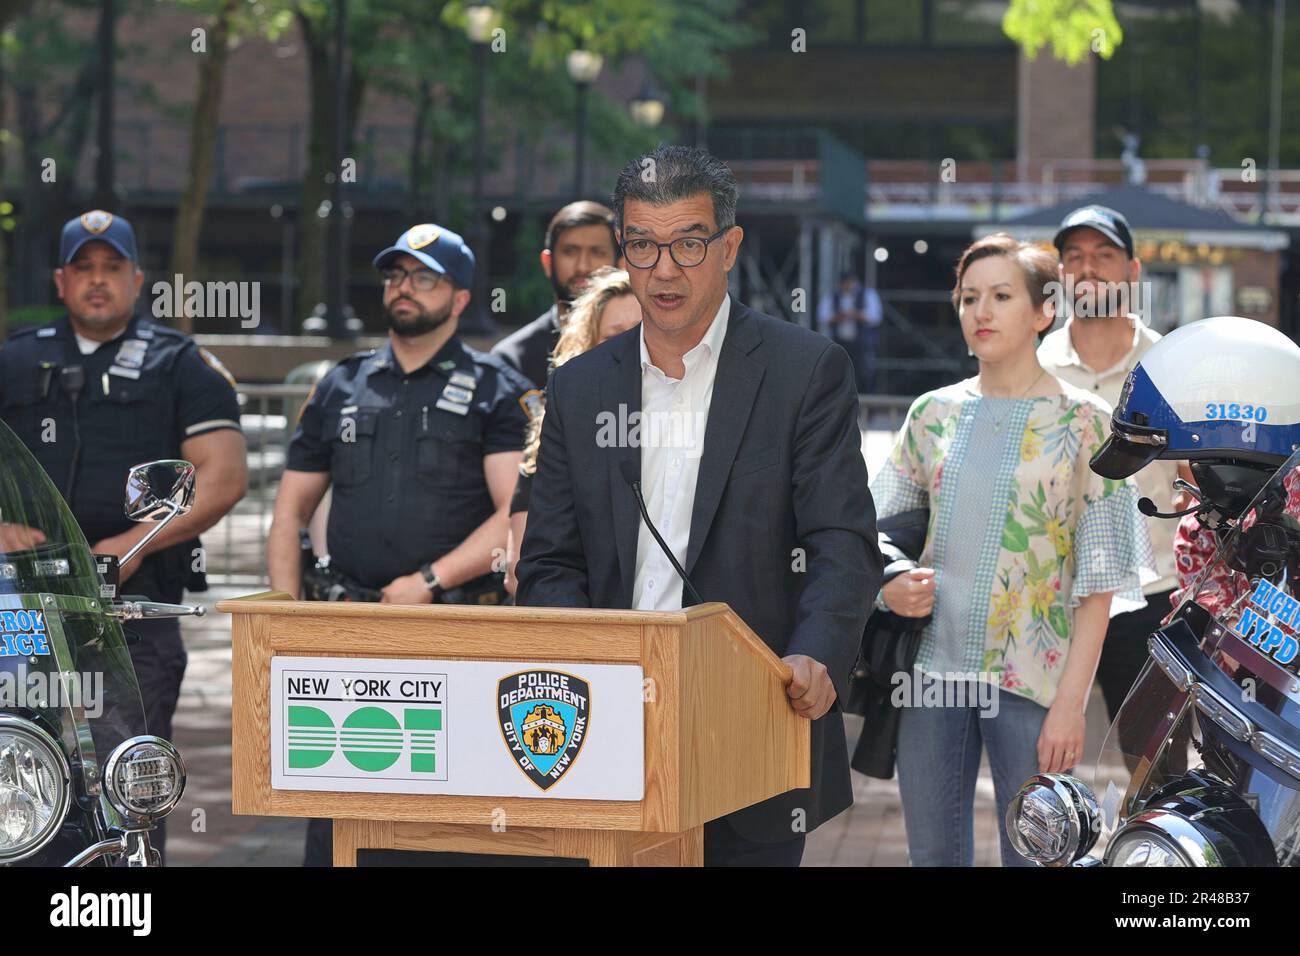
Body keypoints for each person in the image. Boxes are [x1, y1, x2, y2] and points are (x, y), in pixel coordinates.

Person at [516, 145, 882, 867]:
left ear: (729, 247)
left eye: (688, 243)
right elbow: (550, 559)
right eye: (643, 246)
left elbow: (841, 540)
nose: (664, 269)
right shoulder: (582, 387)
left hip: (756, 724)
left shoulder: (804, 371)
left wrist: (817, 654)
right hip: (608, 729)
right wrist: (586, 668)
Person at [874, 233, 1154, 867]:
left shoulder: (1087, 422)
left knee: (1036, 858)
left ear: (1043, 311)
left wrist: (1070, 707)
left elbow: (1101, 578)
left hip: (1034, 682)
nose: (982, 311)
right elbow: (875, 530)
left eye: (1001, 296)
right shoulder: (931, 414)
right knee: (934, 857)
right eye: (970, 297)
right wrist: (886, 582)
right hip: (931, 677)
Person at [265, 222, 532, 865]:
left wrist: (430, 582)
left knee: (446, 816)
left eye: (423, 277)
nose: (403, 288)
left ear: (461, 297)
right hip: (349, 632)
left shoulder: (495, 388)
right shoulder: (340, 384)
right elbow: (288, 509)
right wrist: (278, 616)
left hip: (453, 631)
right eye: (395, 275)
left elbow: (513, 514)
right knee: (337, 812)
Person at [0, 209, 249, 860]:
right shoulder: (15, 358)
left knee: (125, 790)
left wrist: (128, 546)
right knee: (14, 779)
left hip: (128, 613)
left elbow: (222, 476)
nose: (98, 281)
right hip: (19, 617)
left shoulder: (181, 363)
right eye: (84, 268)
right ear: (60, 280)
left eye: (113, 268)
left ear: (139, 280)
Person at [1037, 204, 1190, 727]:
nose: (1088, 268)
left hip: (1151, 599)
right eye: (1074, 256)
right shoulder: (1031, 368)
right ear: (1059, 275)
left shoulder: (1174, 366)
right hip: (1050, 600)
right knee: (1042, 770)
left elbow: (1196, 489)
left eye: (1105, 255)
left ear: (1133, 272)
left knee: (1153, 769)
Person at [504, 267, 641, 596]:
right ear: (590, 347)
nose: (632, 348)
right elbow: (519, 571)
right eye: (614, 337)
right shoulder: (551, 439)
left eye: (641, 332)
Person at [491, 201, 620, 389]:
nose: (582, 266)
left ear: (622, 263)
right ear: (547, 262)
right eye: (570, 252)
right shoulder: (512, 359)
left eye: (597, 252)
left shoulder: (641, 349)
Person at [817, 271, 883, 393]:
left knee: (865, 374)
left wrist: (856, 314)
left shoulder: (867, 294)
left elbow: (875, 317)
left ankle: (868, 402)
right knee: (838, 373)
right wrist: (839, 316)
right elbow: (823, 317)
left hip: (862, 344)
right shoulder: (832, 296)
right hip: (840, 342)